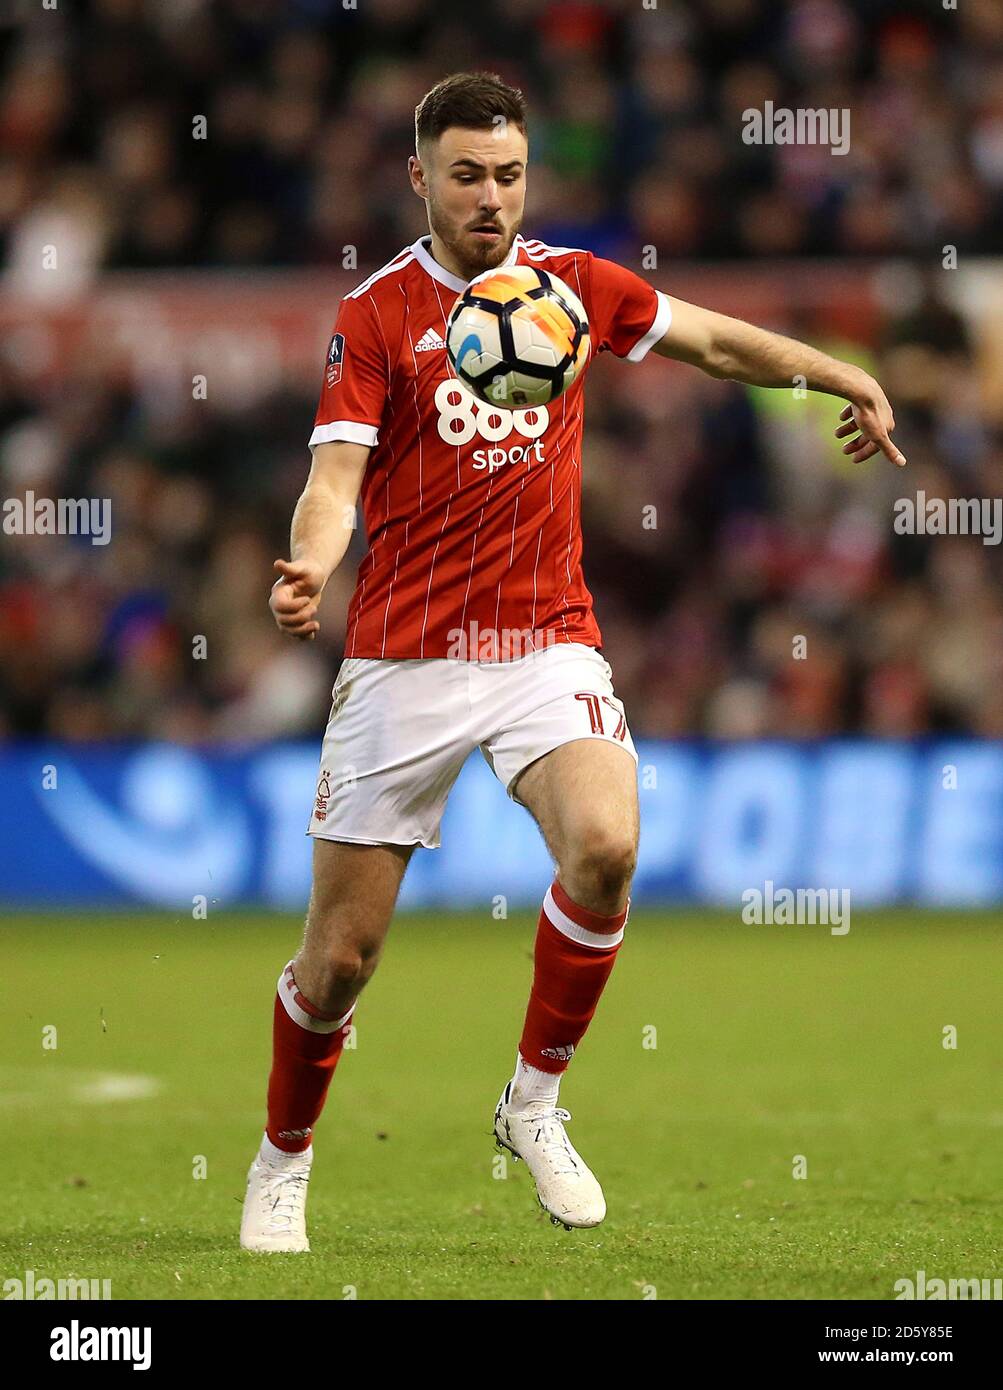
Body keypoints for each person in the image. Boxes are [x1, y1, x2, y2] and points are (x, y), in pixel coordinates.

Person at [240, 71, 905, 1252]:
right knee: (340, 960)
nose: (489, 197)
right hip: (403, 657)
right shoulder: (376, 315)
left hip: (546, 639)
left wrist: (837, 370)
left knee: (607, 846)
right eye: (465, 176)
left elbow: (707, 340)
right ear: (418, 178)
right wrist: (309, 568)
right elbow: (332, 480)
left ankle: (533, 1101)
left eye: (507, 174)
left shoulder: (573, 287)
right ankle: (281, 1161)